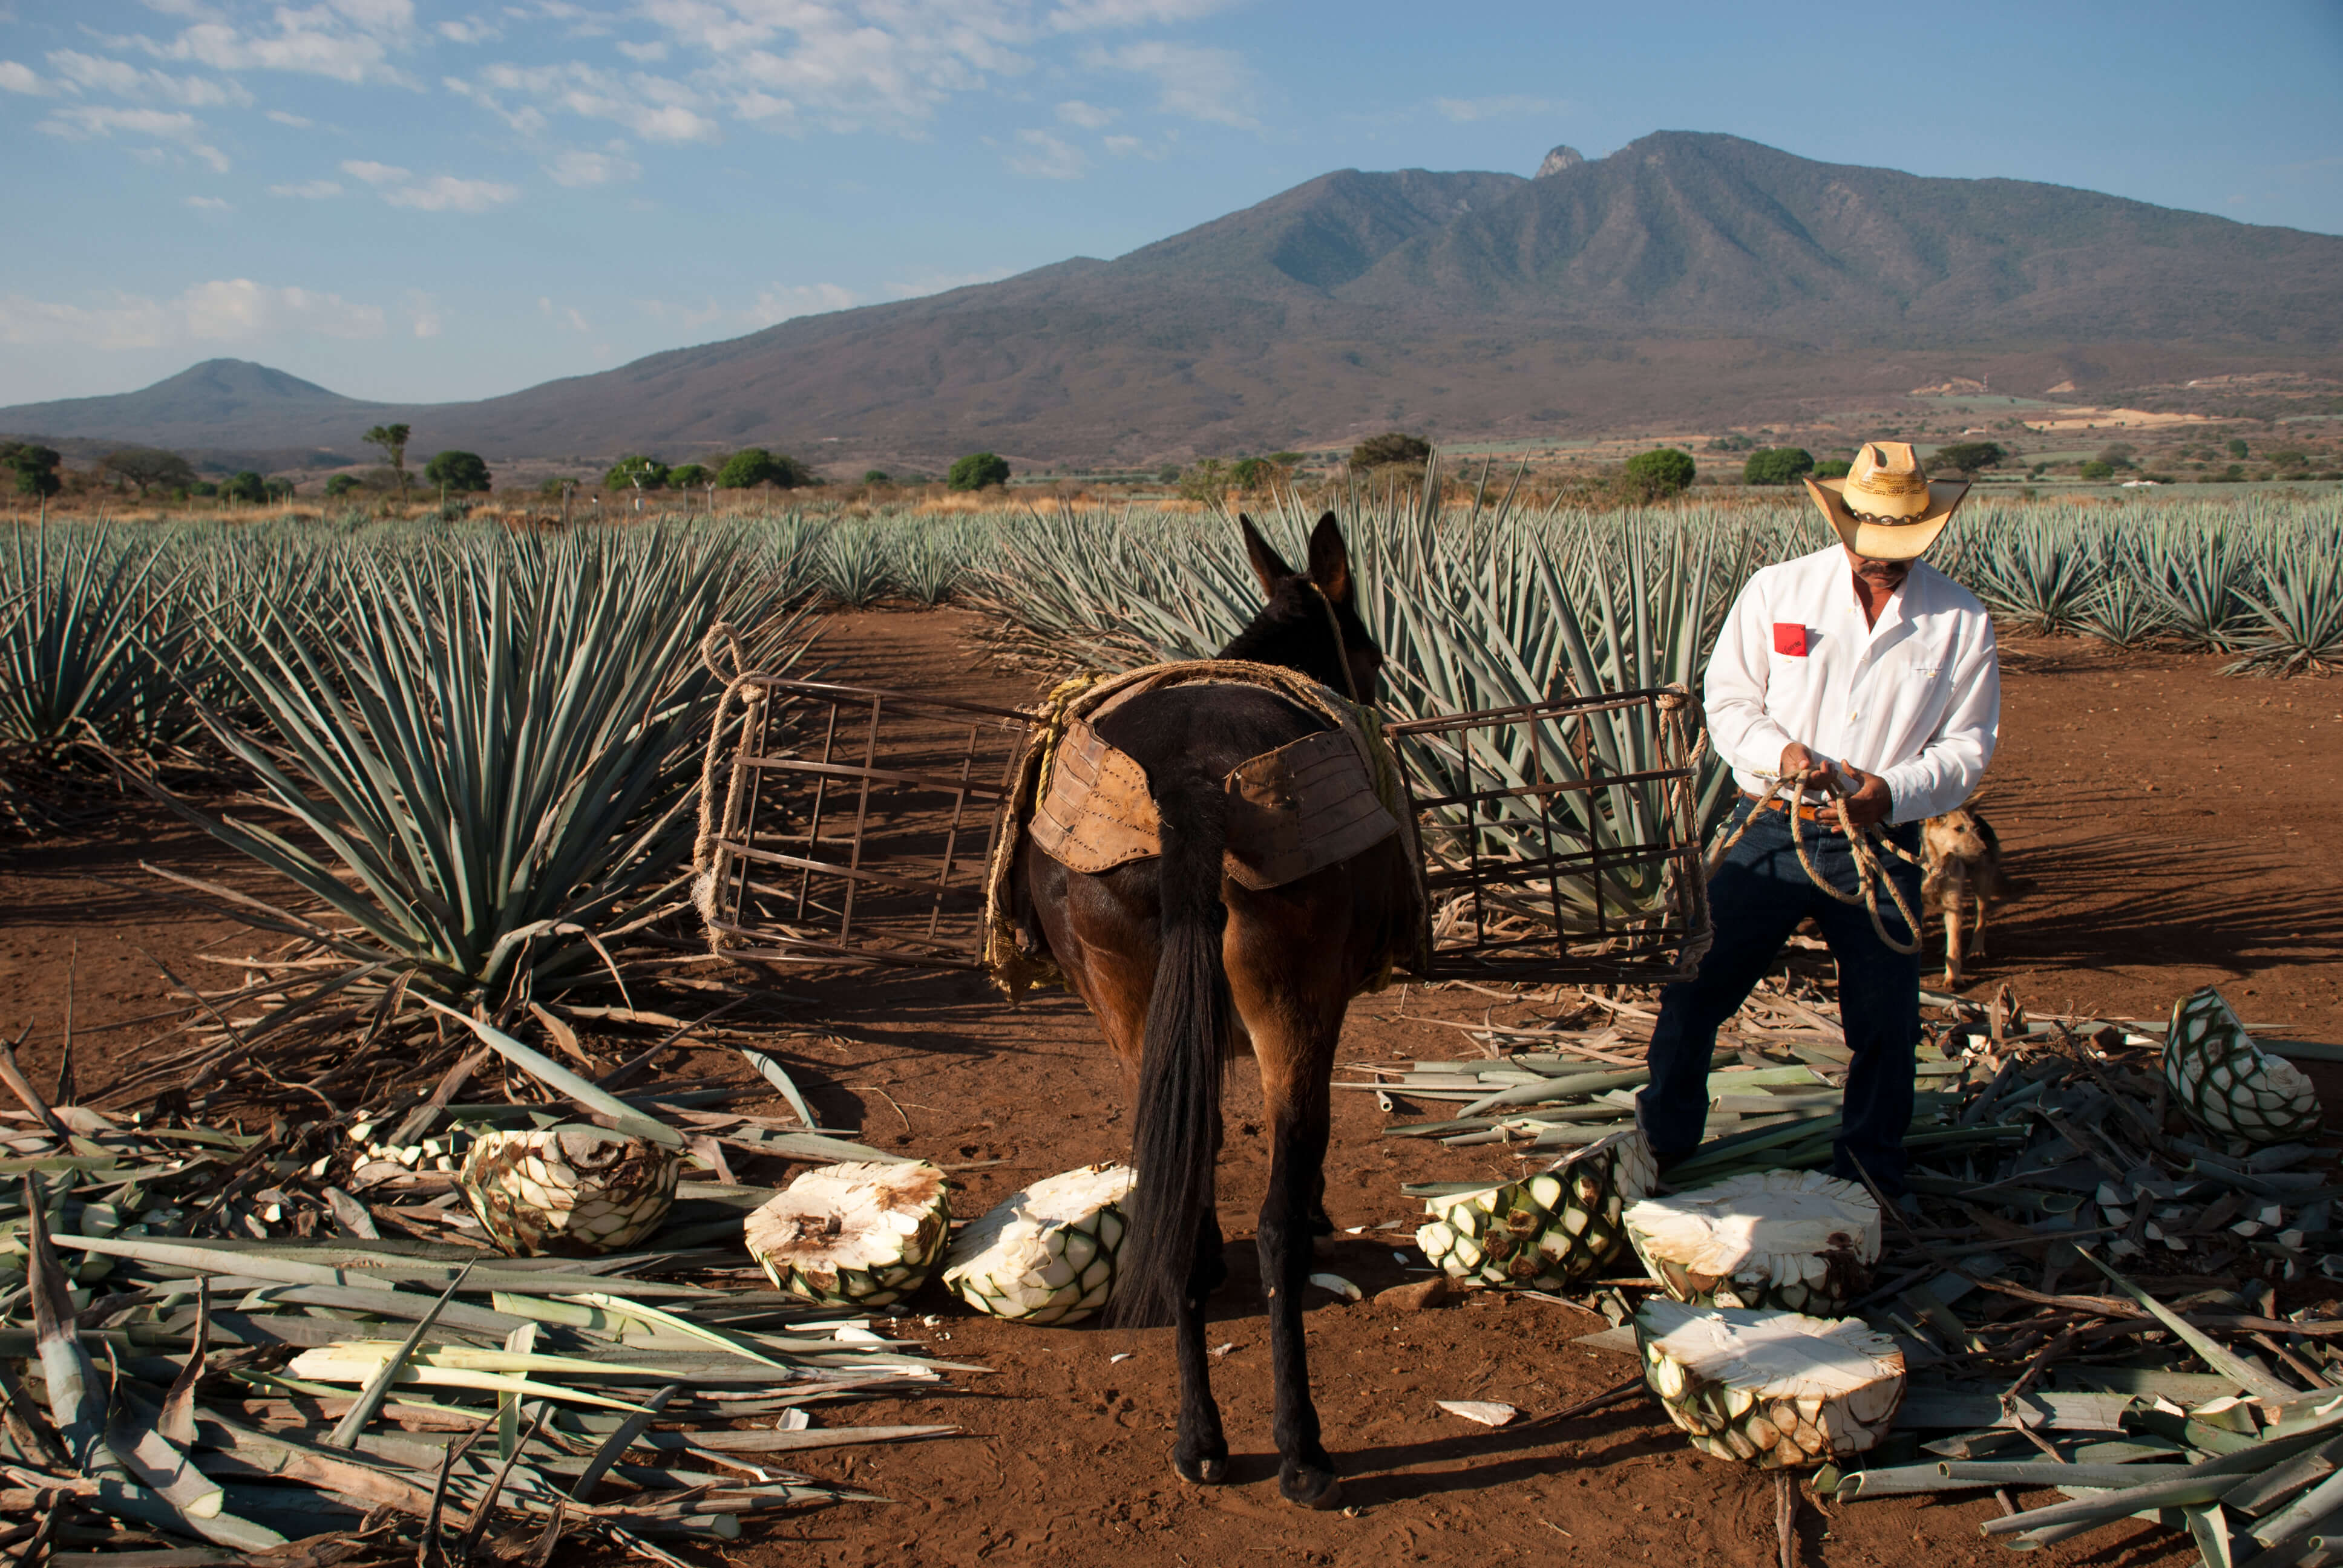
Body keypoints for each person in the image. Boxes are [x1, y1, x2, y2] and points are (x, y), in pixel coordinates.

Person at [1636, 441, 2000, 1197]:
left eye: (1899, 549)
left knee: (1886, 1022)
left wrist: (1890, 792)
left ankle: (1869, 1177)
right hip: (1771, 826)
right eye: (1869, 545)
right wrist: (1780, 752)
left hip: (1878, 844)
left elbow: (1967, 747)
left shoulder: (1958, 618)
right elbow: (1728, 700)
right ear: (1841, 526)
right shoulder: (1779, 591)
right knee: (1694, 990)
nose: (1881, 561)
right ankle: (1662, 1148)